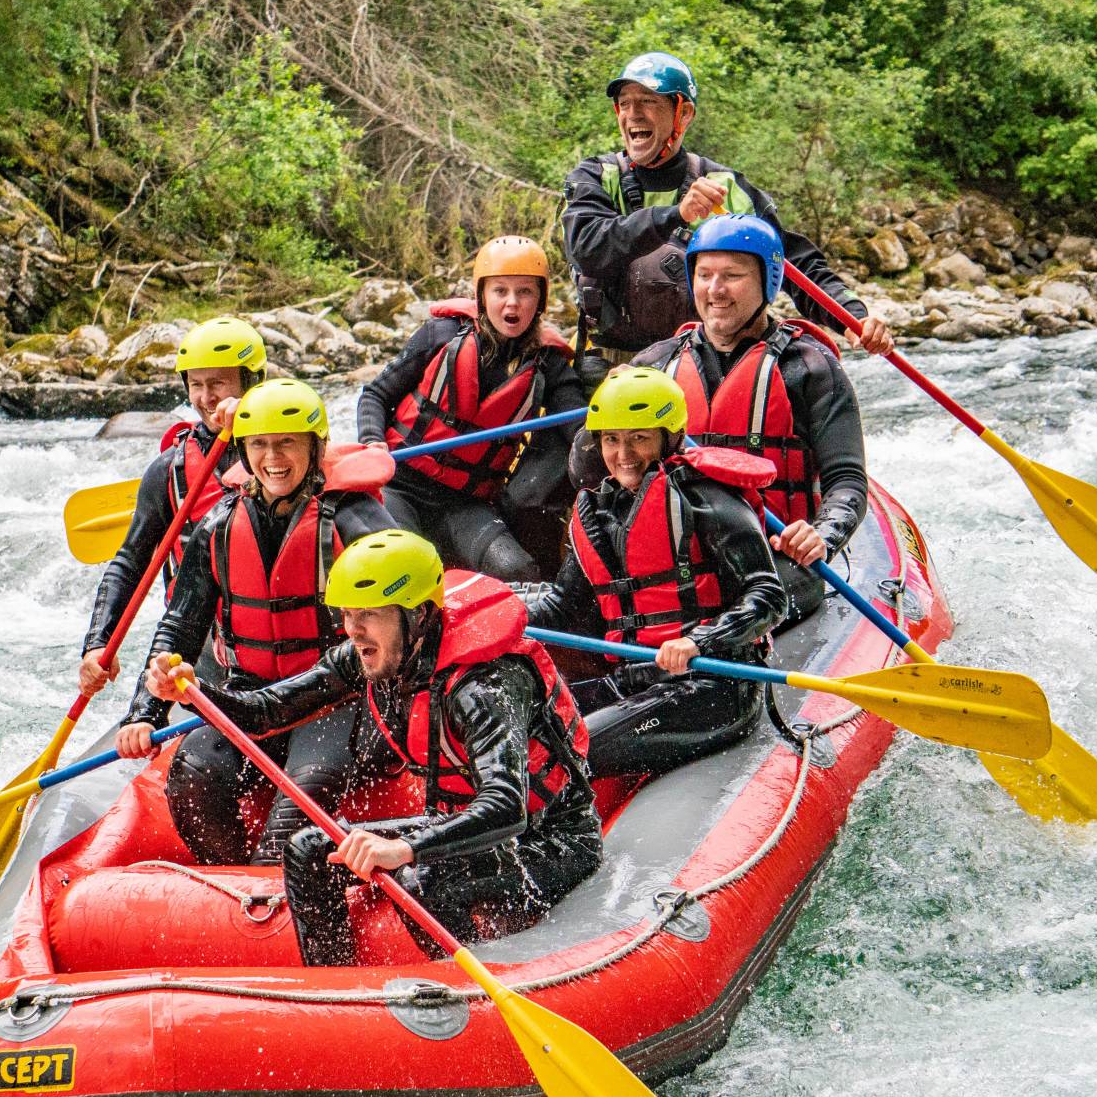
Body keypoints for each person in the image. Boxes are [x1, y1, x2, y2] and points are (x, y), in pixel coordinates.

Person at [145, 530, 602, 968]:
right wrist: (195, 690)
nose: (354, 630)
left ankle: (465, 994)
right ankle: (339, 989)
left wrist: (404, 847)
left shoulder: (484, 687)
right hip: (453, 826)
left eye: (370, 615)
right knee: (308, 849)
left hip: (547, 840)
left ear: (418, 614)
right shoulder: (374, 651)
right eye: (347, 614)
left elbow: (506, 808)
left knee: (419, 878)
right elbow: (267, 711)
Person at [116, 379, 396, 865]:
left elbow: (400, 620)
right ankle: (234, 889)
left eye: (287, 442)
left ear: (316, 446)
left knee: (290, 822)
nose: (273, 458)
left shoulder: (355, 520)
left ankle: (270, 889)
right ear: (243, 452)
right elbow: (180, 623)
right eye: (260, 445)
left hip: (337, 701)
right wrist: (146, 708)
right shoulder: (219, 525)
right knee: (192, 772)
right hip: (250, 696)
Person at [527, 367, 788, 780]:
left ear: (668, 439)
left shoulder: (708, 499)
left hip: (710, 687)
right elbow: (564, 604)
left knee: (564, 749)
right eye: (612, 439)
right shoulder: (599, 510)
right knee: (521, 726)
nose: (623, 454)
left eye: (638, 438)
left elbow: (769, 597)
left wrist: (698, 641)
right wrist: (507, 617)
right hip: (633, 679)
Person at [561, 51, 895, 368]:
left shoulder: (726, 187)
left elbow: (796, 264)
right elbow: (588, 248)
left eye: (648, 101)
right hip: (612, 366)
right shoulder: (595, 177)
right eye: (625, 104)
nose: (633, 114)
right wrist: (677, 214)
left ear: (684, 114)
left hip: (698, 363)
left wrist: (852, 316)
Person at [633, 214, 868, 622]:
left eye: (732, 275)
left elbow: (847, 481)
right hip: (675, 553)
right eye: (704, 275)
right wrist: (597, 425)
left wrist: (822, 536)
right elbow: (593, 473)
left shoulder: (810, 368)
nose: (715, 290)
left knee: (758, 597)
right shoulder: (654, 365)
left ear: (768, 281)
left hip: (772, 556)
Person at [356, 236, 583, 581]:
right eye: (500, 291)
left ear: (540, 300)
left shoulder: (548, 363)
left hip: (464, 503)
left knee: (517, 571)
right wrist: (373, 442)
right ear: (481, 296)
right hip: (401, 487)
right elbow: (374, 395)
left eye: (525, 292)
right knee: (405, 571)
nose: (512, 303)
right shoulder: (441, 334)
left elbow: (578, 423)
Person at [77, 316, 266, 696]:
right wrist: (99, 642)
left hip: (282, 631)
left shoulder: (287, 452)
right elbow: (130, 562)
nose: (206, 398)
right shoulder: (170, 470)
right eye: (196, 385)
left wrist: (254, 426)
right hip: (197, 633)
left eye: (218, 383)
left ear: (252, 382)